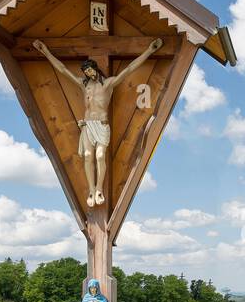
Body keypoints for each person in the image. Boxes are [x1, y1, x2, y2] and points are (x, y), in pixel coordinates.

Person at [32, 37, 163, 207]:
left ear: (95, 69)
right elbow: (62, 70)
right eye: (85, 72)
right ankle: (91, 190)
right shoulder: (83, 85)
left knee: (100, 156)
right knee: (87, 156)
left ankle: (99, 189)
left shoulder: (108, 84)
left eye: (90, 70)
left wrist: (150, 50)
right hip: (88, 125)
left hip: (101, 125)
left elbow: (130, 68)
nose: (88, 73)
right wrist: (45, 51)